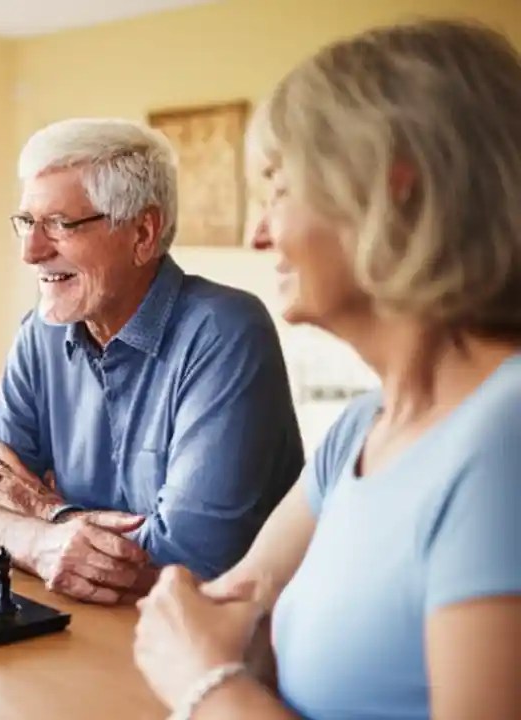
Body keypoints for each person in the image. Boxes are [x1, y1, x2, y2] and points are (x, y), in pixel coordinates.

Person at [134, 19, 521, 720]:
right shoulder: (362, 429)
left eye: (278, 189)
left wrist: (208, 688)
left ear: (391, 187)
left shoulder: (507, 440)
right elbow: (223, 606)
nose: (258, 234)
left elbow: (196, 653)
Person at [0, 118, 304, 603]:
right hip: (88, 632)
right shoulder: (41, 332)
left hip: (214, 646)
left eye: (60, 223)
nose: (31, 251)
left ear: (142, 232)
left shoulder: (225, 330)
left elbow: (189, 557)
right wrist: (43, 541)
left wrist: (41, 509)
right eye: (28, 222)